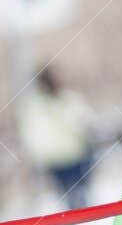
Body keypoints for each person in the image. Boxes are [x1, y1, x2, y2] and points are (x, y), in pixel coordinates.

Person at [16, 67, 97, 210]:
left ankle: (83, 212)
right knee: (70, 195)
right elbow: (32, 135)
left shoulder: (68, 99)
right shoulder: (35, 107)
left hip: (76, 155)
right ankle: (77, 214)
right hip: (57, 160)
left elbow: (86, 121)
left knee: (80, 191)